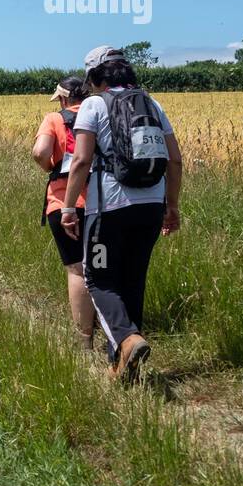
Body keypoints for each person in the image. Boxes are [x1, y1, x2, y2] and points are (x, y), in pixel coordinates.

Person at [60, 46, 183, 382]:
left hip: (109, 209)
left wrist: (69, 207)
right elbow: (175, 160)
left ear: (95, 77)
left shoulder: (93, 105)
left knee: (98, 278)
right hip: (150, 208)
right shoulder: (153, 104)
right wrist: (171, 207)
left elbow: (82, 161)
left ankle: (128, 340)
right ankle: (123, 365)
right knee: (132, 280)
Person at [33, 77, 95, 352]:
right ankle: (115, 328)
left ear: (62, 99)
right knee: (103, 265)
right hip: (103, 202)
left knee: (77, 268)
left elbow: (39, 152)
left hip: (63, 202)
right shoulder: (100, 115)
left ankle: (84, 339)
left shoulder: (54, 119)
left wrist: (49, 166)